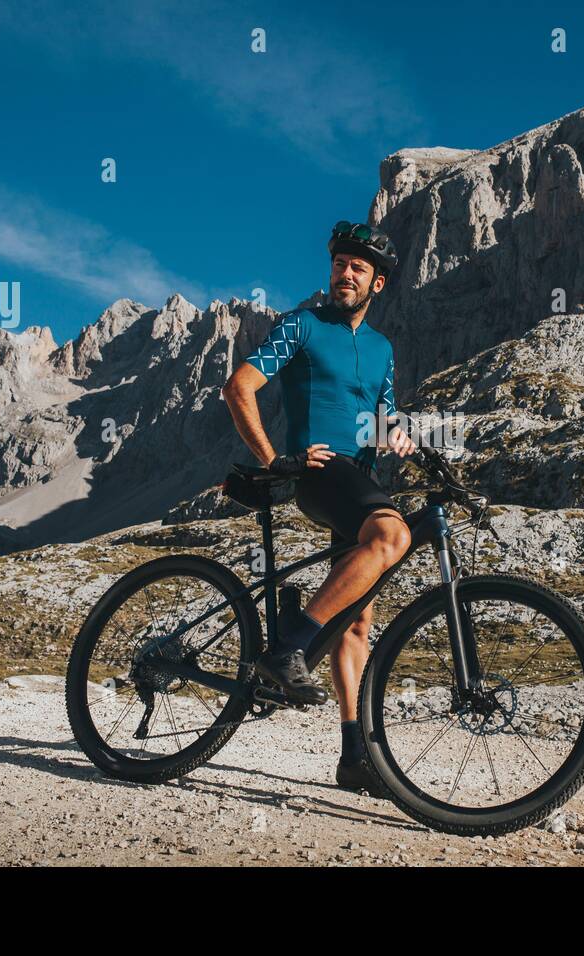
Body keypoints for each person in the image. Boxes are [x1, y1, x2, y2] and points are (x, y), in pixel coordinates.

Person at [222, 220, 415, 795]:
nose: (345, 273)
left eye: (359, 268)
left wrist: (399, 434)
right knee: (390, 538)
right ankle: (288, 649)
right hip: (318, 471)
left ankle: (353, 756)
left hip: (360, 478)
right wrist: (274, 457)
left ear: (377, 283)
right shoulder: (303, 326)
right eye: (340, 265)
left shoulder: (382, 349)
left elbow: (385, 415)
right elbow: (239, 386)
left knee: (357, 621)